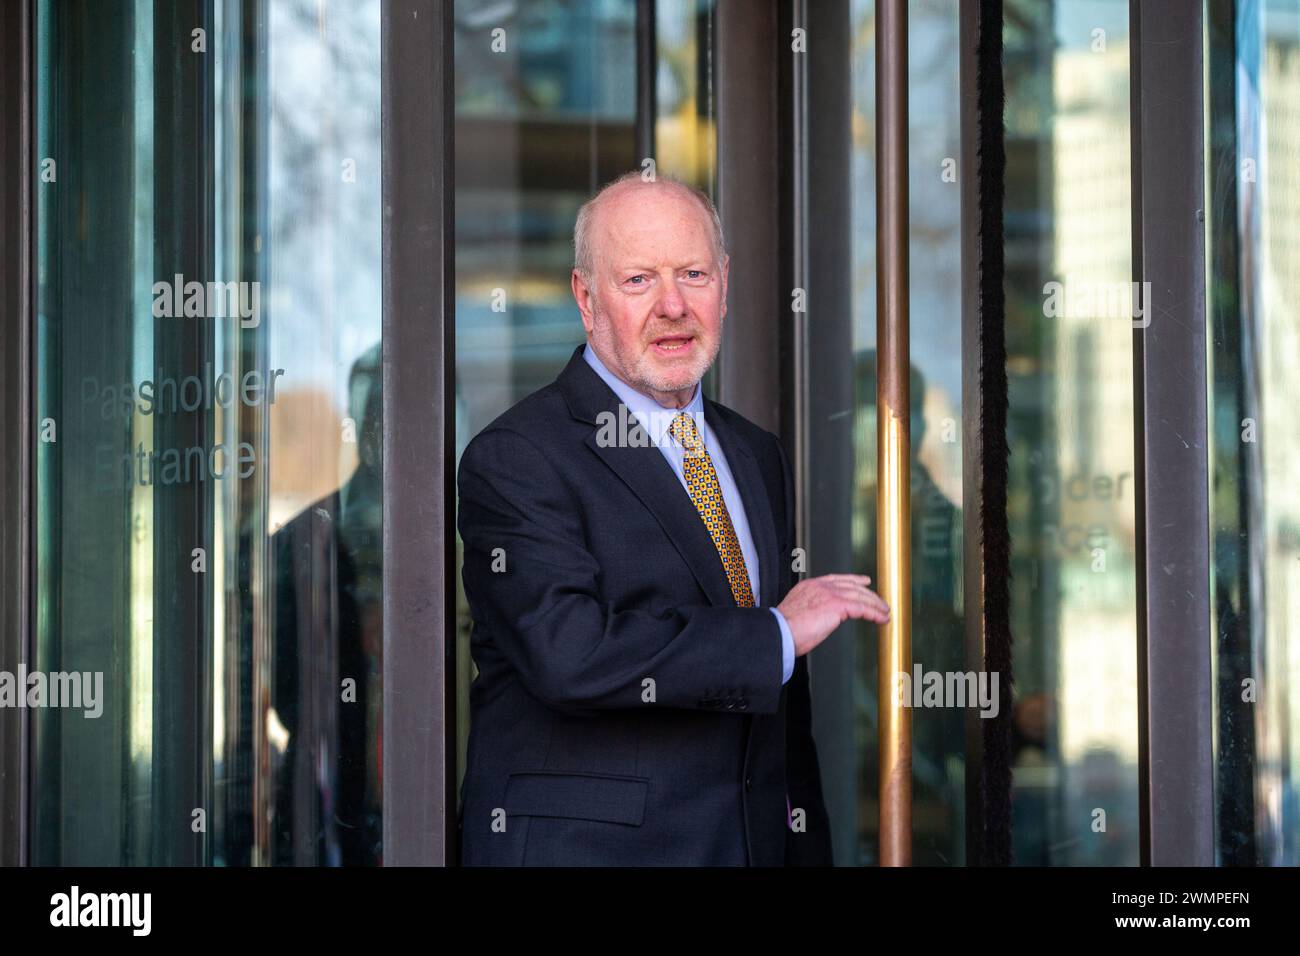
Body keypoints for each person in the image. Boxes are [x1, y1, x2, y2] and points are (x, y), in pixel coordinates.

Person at [456, 171, 890, 866]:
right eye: (638, 281)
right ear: (585, 297)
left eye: (693, 273)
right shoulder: (517, 457)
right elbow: (569, 654)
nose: (672, 306)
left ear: (725, 281)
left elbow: (776, 710)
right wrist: (775, 631)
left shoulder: (754, 453)